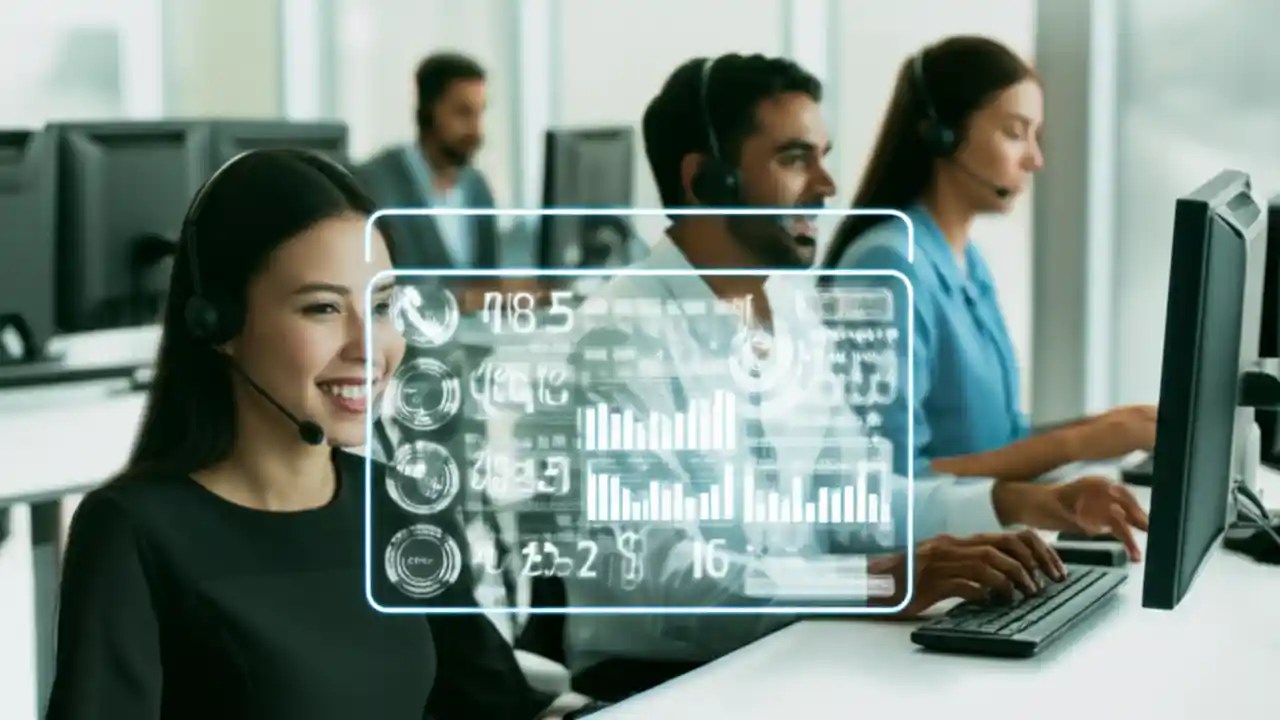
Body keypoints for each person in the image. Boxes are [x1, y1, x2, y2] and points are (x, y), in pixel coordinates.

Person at [543, 53, 1148, 703]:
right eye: (795, 158)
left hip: (799, 647)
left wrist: (1019, 503)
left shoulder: (792, 311)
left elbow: (862, 497)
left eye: (823, 156)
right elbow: (668, 586)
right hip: (672, 685)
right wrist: (885, 580)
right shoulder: (619, 339)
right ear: (704, 179)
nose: (828, 184)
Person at [44, 149, 586, 719]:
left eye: (380, 306)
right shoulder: (135, 533)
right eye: (324, 308)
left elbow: (495, 703)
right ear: (219, 323)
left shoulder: (399, 507)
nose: (369, 346)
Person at [821, 36, 1156, 488]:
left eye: (1035, 136)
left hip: (984, 543)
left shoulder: (965, 261)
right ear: (943, 133)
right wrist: (1078, 444)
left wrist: (1103, 429)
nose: (1035, 159)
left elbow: (1000, 443)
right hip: (926, 555)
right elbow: (890, 482)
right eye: (1015, 132)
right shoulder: (888, 266)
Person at [356, 52, 501, 271]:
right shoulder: (377, 184)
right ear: (427, 112)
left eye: (479, 114)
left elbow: (488, 281)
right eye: (463, 113)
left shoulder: (477, 187)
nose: (476, 130)